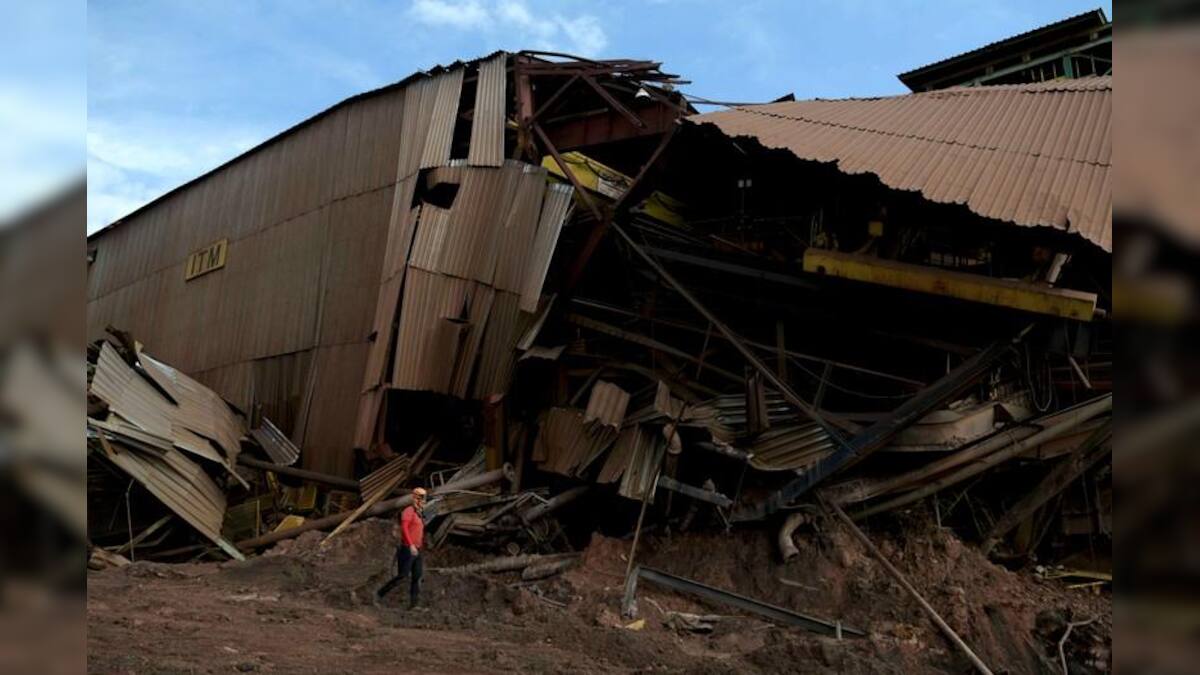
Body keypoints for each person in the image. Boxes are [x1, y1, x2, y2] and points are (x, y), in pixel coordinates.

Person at [375, 487, 426, 609]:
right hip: (408, 548)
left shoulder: (419, 513)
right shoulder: (408, 511)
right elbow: (405, 529)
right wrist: (411, 545)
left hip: (417, 549)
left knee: (417, 576)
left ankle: (414, 605)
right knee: (402, 576)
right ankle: (379, 594)